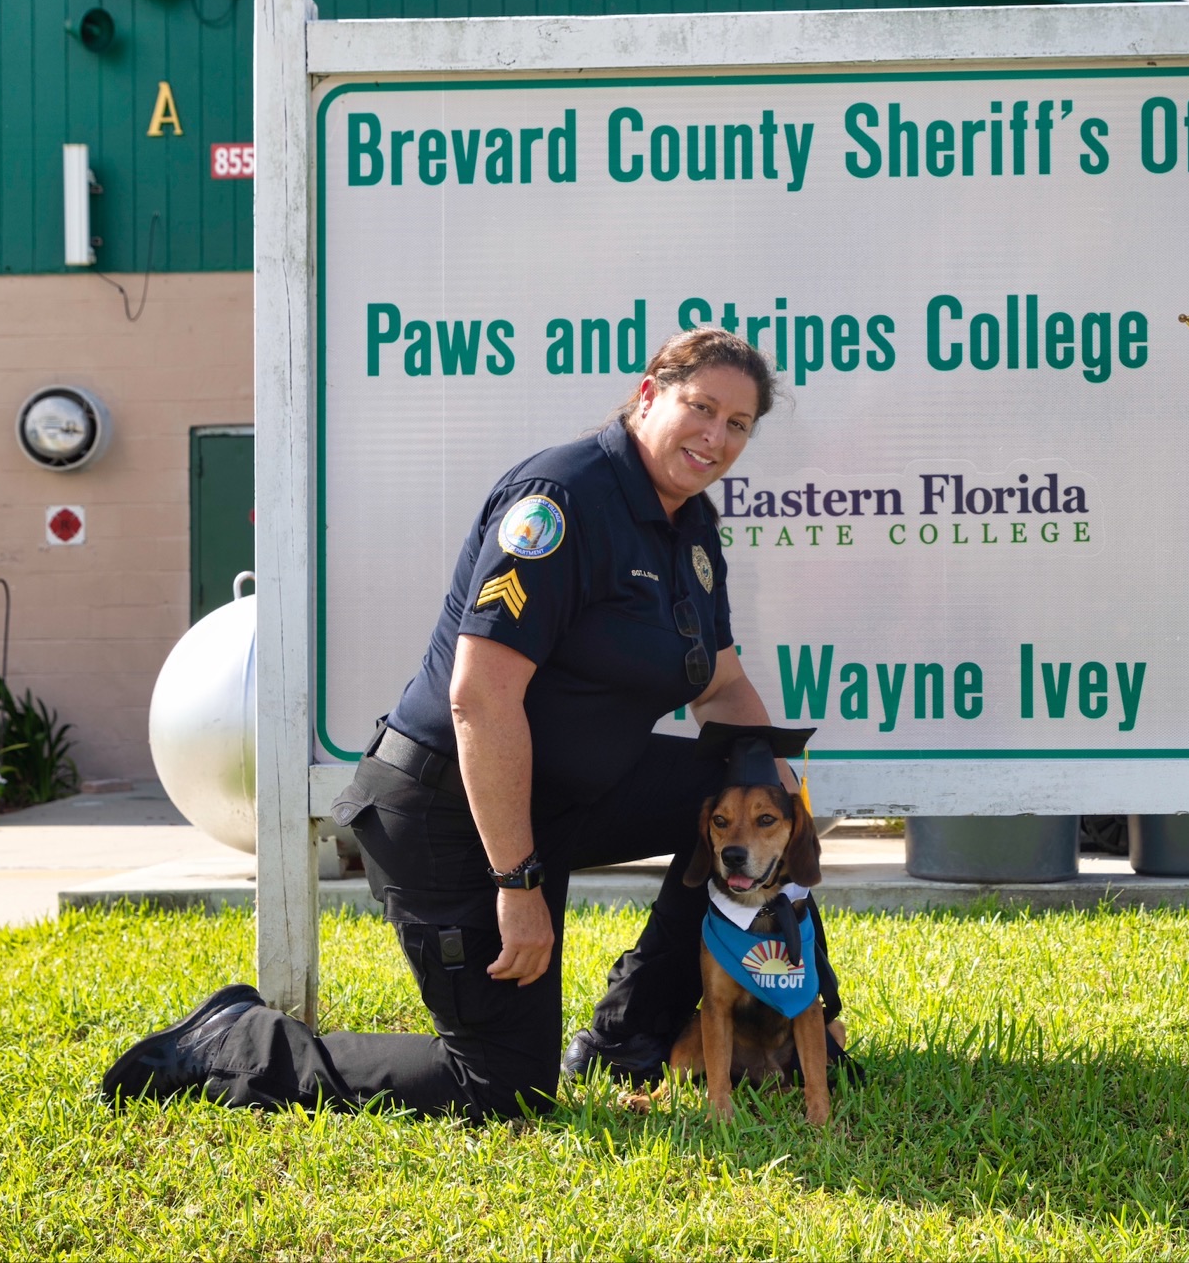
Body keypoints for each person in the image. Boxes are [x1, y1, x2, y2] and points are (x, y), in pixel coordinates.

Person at [102, 328, 843, 1120]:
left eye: (738, 424)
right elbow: (479, 700)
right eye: (702, 408)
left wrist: (775, 787)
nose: (716, 437)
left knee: (743, 791)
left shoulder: (688, 522)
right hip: (449, 813)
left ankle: (637, 1033)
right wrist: (517, 884)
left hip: (565, 796)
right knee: (502, 1089)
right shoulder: (561, 502)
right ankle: (232, 1041)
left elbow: (722, 684)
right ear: (651, 392)